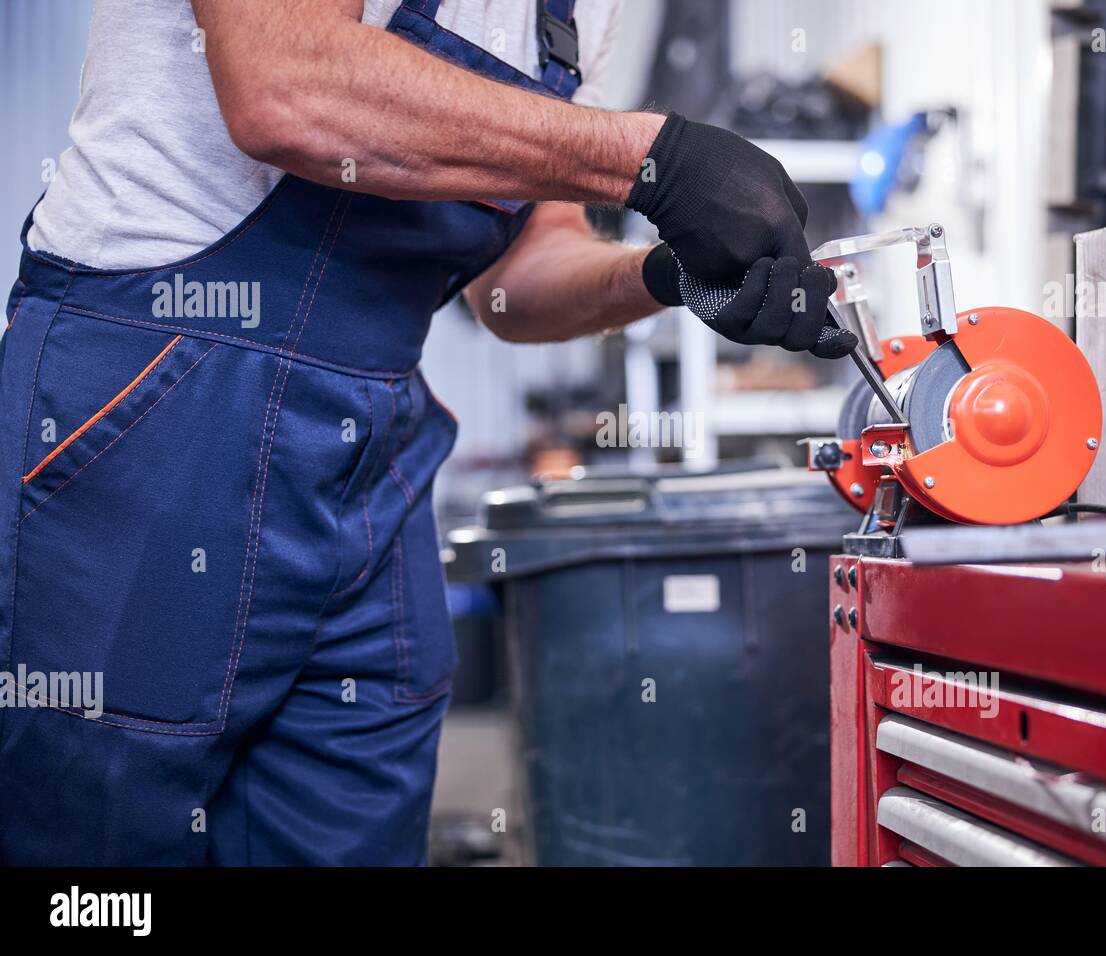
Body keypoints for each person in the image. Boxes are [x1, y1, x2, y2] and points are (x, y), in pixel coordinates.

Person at [0, 0, 853, 865]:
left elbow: (514, 282)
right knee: (96, 829)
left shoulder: (582, 12)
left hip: (373, 446)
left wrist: (668, 276)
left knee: (348, 825)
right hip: (159, 401)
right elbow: (286, 86)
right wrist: (648, 158)